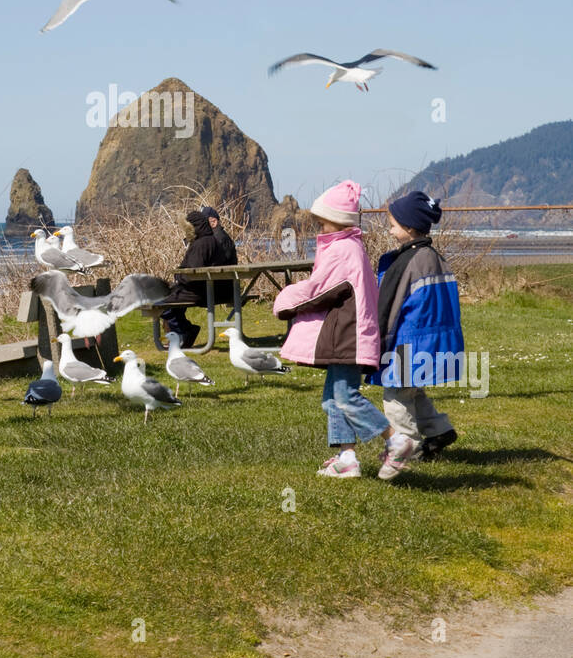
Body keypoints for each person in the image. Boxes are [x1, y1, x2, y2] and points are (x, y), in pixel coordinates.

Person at [272, 180, 417, 481]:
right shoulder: (346, 247)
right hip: (346, 334)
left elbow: (318, 291)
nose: (318, 229)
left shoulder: (343, 251)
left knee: (346, 396)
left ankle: (395, 440)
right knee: (332, 398)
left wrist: (285, 300)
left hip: (348, 336)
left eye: (322, 222)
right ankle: (347, 457)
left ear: (336, 221)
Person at [367, 191, 460, 460]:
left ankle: (407, 445)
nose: (390, 229)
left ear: (409, 227)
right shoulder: (434, 257)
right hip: (430, 342)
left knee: (396, 395)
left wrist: (379, 339)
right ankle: (438, 428)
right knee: (412, 389)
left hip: (406, 343)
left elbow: (389, 306)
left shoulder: (406, 262)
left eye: (393, 225)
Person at [162, 209, 237, 347]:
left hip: (201, 291)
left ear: (194, 227)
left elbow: (193, 274)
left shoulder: (201, 244)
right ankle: (184, 333)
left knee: (160, 305)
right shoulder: (208, 241)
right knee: (171, 303)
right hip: (209, 288)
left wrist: (179, 278)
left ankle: (185, 331)